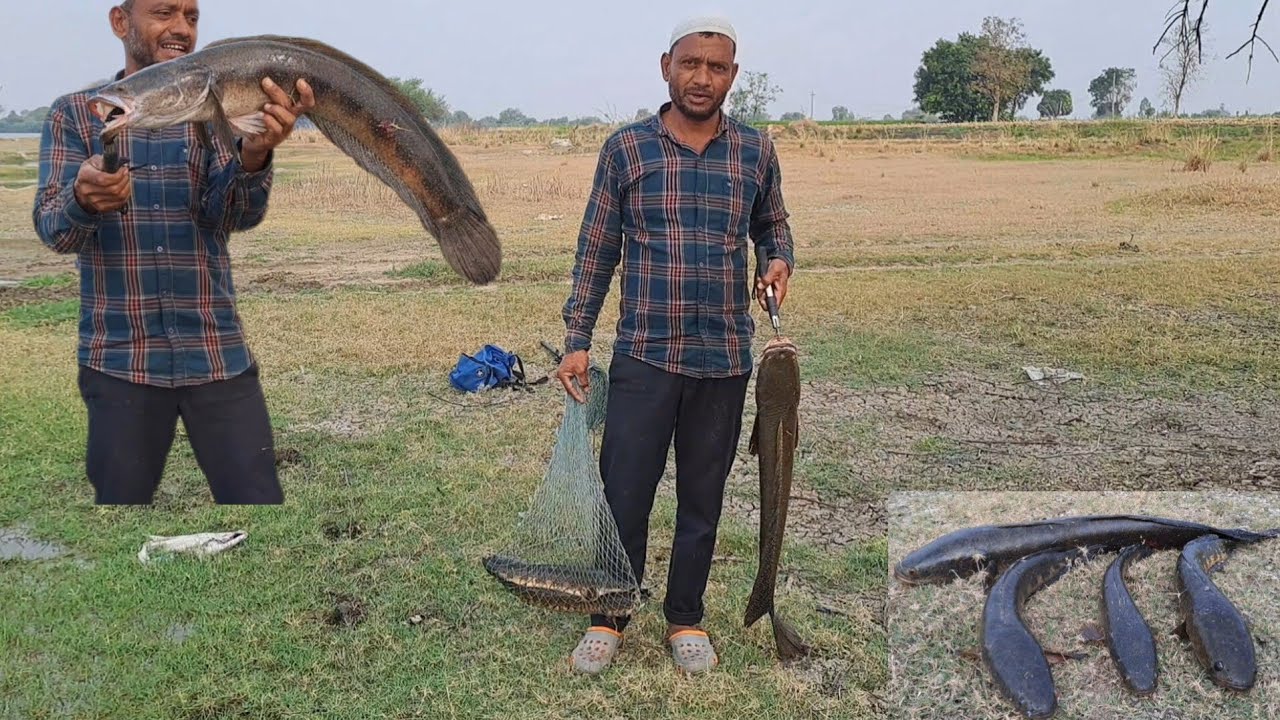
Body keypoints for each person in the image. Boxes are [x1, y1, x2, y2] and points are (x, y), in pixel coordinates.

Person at [555, 15, 794, 674]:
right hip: (644, 353)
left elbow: (772, 222)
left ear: (733, 76)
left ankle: (685, 617)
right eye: (691, 64)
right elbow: (596, 250)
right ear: (667, 66)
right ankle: (609, 614)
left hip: (723, 358)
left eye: (717, 68)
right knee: (624, 492)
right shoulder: (627, 150)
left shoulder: (755, 151)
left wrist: (777, 259)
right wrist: (578, 338)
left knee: (702, 496)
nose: (702, 78)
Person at [31, 0, 314, 505]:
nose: (181, 28)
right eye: (163, 12)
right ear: (121, 22)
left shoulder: (217, 110)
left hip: (217, 353)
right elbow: (56, 231)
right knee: (119, 517)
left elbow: (231, 217)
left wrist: (255, 155)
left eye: (191, 15)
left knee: (259, 506)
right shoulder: (77, 113)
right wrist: (82, 200)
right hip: (120, 361)